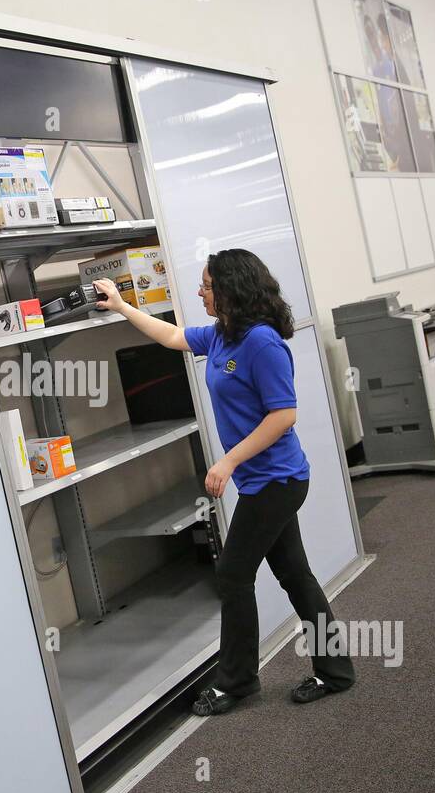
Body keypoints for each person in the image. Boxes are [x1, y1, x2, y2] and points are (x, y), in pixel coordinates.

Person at [93, 250, 355, 717]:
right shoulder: (220, 337)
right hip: (261, 483)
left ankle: (236, 682)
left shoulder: (262, 343)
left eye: (207, 285)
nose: (200, 292)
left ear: (232, 288)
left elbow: (284, 414)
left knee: (233, 575)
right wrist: (119, 304)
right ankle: (335, 671)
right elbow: (172, 335)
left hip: (279, 480)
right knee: (296, 575)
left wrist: (228, 461)